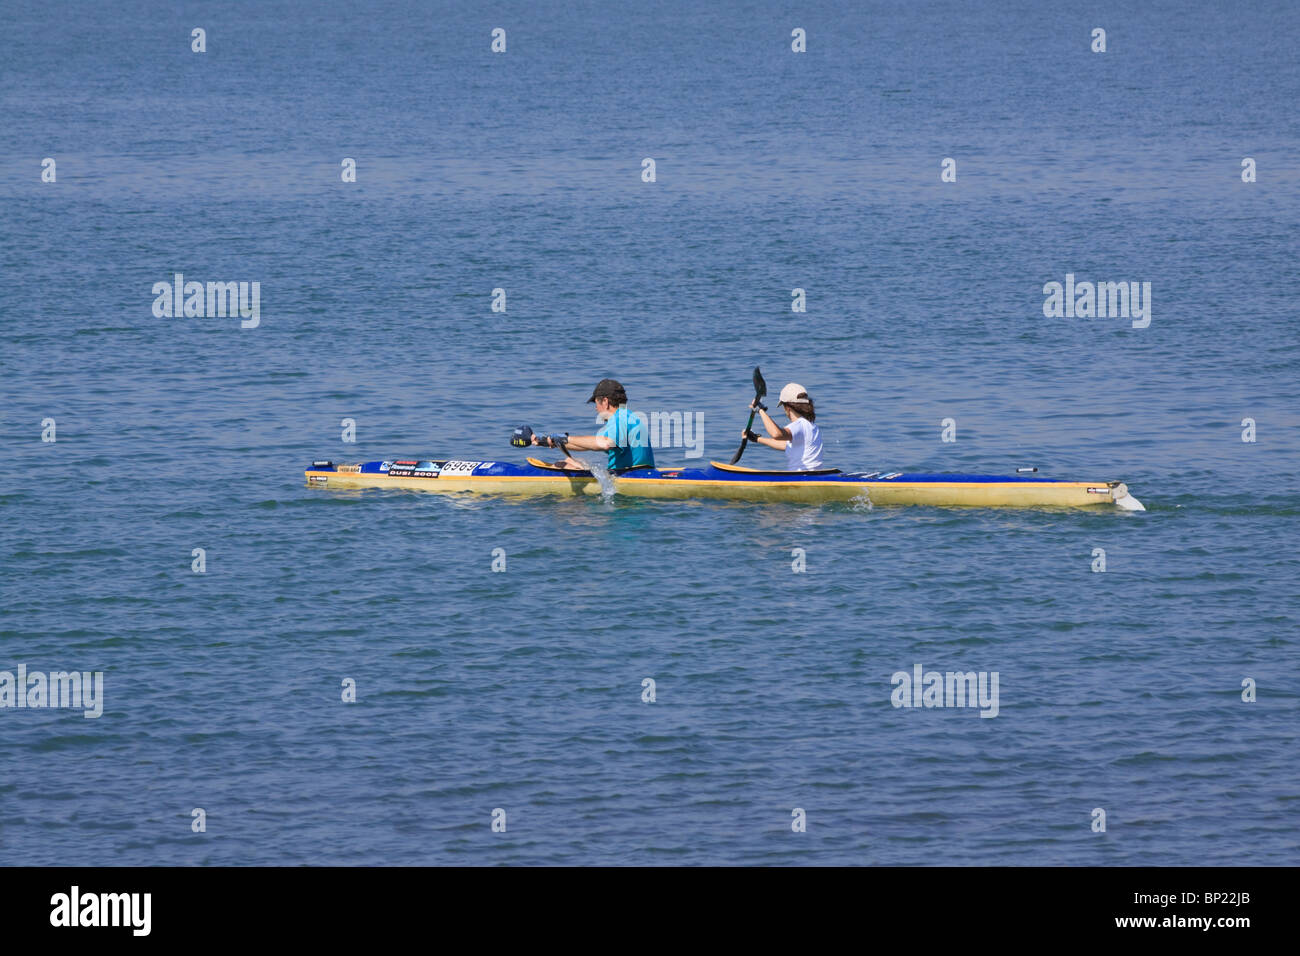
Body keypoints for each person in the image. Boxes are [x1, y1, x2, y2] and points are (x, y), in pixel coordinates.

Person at [533, 378, 656, 471]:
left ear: (605, 401)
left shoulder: (619, 419)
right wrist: (553, 442)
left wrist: (566, 438)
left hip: (629, 476)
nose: (596, 409)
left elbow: (606, 443)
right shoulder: (630, 416)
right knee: (570, 460)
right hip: (642, 471)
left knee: (560, 465)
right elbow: (588, 445)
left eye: (596, 403)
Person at [742, 382, 824, 470]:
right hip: (812, 476)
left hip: (800, 478)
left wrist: (760, 411)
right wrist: (757, 439)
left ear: (787, 408)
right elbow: (785, 445)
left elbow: (776, 434)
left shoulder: (799, 425)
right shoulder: (811, 426)